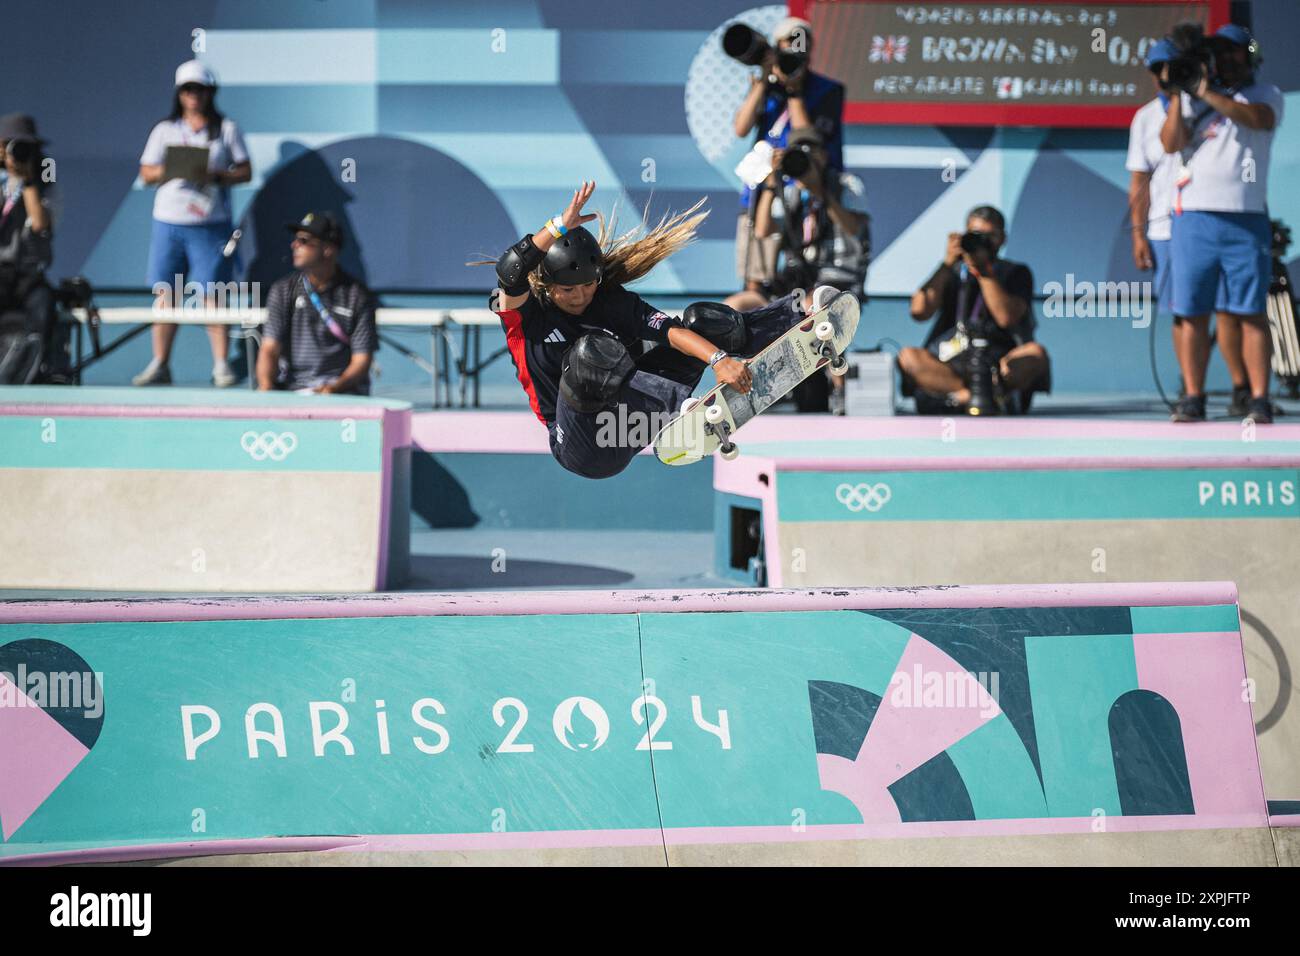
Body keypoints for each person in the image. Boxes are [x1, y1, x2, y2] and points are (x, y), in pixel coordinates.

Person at [490, 181, 839, 479]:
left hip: (630, 422)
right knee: (589, 353)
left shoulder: (611, 302)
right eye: (568, 290)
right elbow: (510, 271)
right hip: (582, 444)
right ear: (548, 287)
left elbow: (670, 333)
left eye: (588, 285)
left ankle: (798, 316)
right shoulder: (527, 317)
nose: (580, 295)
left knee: (701, 322)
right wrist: (558, 225)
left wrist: (718, 359)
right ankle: (677, 405)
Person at [1160, 24, 1282, 423]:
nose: (1227, 60)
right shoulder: (1190, 99)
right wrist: (1180, 92)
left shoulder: (1266, 95)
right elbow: (1170, 143)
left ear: (1250, 56)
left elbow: (1255, 119)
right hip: (1194, 216)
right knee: (1192, 312)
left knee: (1250, 312)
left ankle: (1259, 398)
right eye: (1220, 53)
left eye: (1234, 53)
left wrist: (1205, 91)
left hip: (1245, 219)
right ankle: (1193, 396)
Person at [724, 125, 870, 414]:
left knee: (811, 306)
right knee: (735, 307)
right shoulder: (790, 193)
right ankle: (752, 386)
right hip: (796, 280)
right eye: (797, 153)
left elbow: (853, 228)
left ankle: (837, 385)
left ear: (823, 156)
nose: (803, 160)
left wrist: (821, 192)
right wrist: (771, 181)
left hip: (839, 279)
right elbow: (764, 229)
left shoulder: (846, 185)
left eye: (809, 153)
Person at [134, 60, 251, 387]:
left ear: (209, 92)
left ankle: (220, 365)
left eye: (199, 89)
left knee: (213, 293)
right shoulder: (164, 130)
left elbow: (245, 170)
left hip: (210, 223)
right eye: (187, 89)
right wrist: (172, 169)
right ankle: (160, 363)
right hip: (169, 222)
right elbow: (146, 173)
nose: (193, 96)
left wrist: (215, 175)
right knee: (166, 293)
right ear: (179, 94)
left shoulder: (226, 129)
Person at [900, 205, 1049, 415]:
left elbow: (1006, 318)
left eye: (991, 236)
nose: (983, 242)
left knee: (1036, 354)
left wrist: (983, 272)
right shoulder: (951, 272)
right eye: (976, 236)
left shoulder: (1016, 273)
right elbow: (918, 312)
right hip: (952, 363)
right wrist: (946, 264)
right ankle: (972, 396)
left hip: (998, 364)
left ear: (1003, 239)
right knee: (908, 356)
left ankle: (972, 396)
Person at [732, 16, 845, 293]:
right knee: (756, 278)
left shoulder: (827, 90)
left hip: (807, 190)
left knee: (807, 278)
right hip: (764, 187)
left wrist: (794, 90)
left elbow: (808, 136)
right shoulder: (767, 86)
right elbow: (741, 127)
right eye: (787, 48)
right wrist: (763, 79)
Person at [256, 212, 377, 394]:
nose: (294, 245)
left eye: (304, 241)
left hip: (342, 393)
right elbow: (269, 349)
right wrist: (265, 389)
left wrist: (333, 388)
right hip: (294, 391)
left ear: (328, 249)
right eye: (295, 240)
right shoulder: (282, 290)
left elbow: (361, 360)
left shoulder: (357, 295)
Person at [0, 114, 55, 384]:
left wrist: (28, 182)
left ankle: (24, 368)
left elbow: (41, 225)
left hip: (30, 274)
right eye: (10, 145)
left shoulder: (47, 179)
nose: (17, 152)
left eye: (24, 146)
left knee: (42, 307)